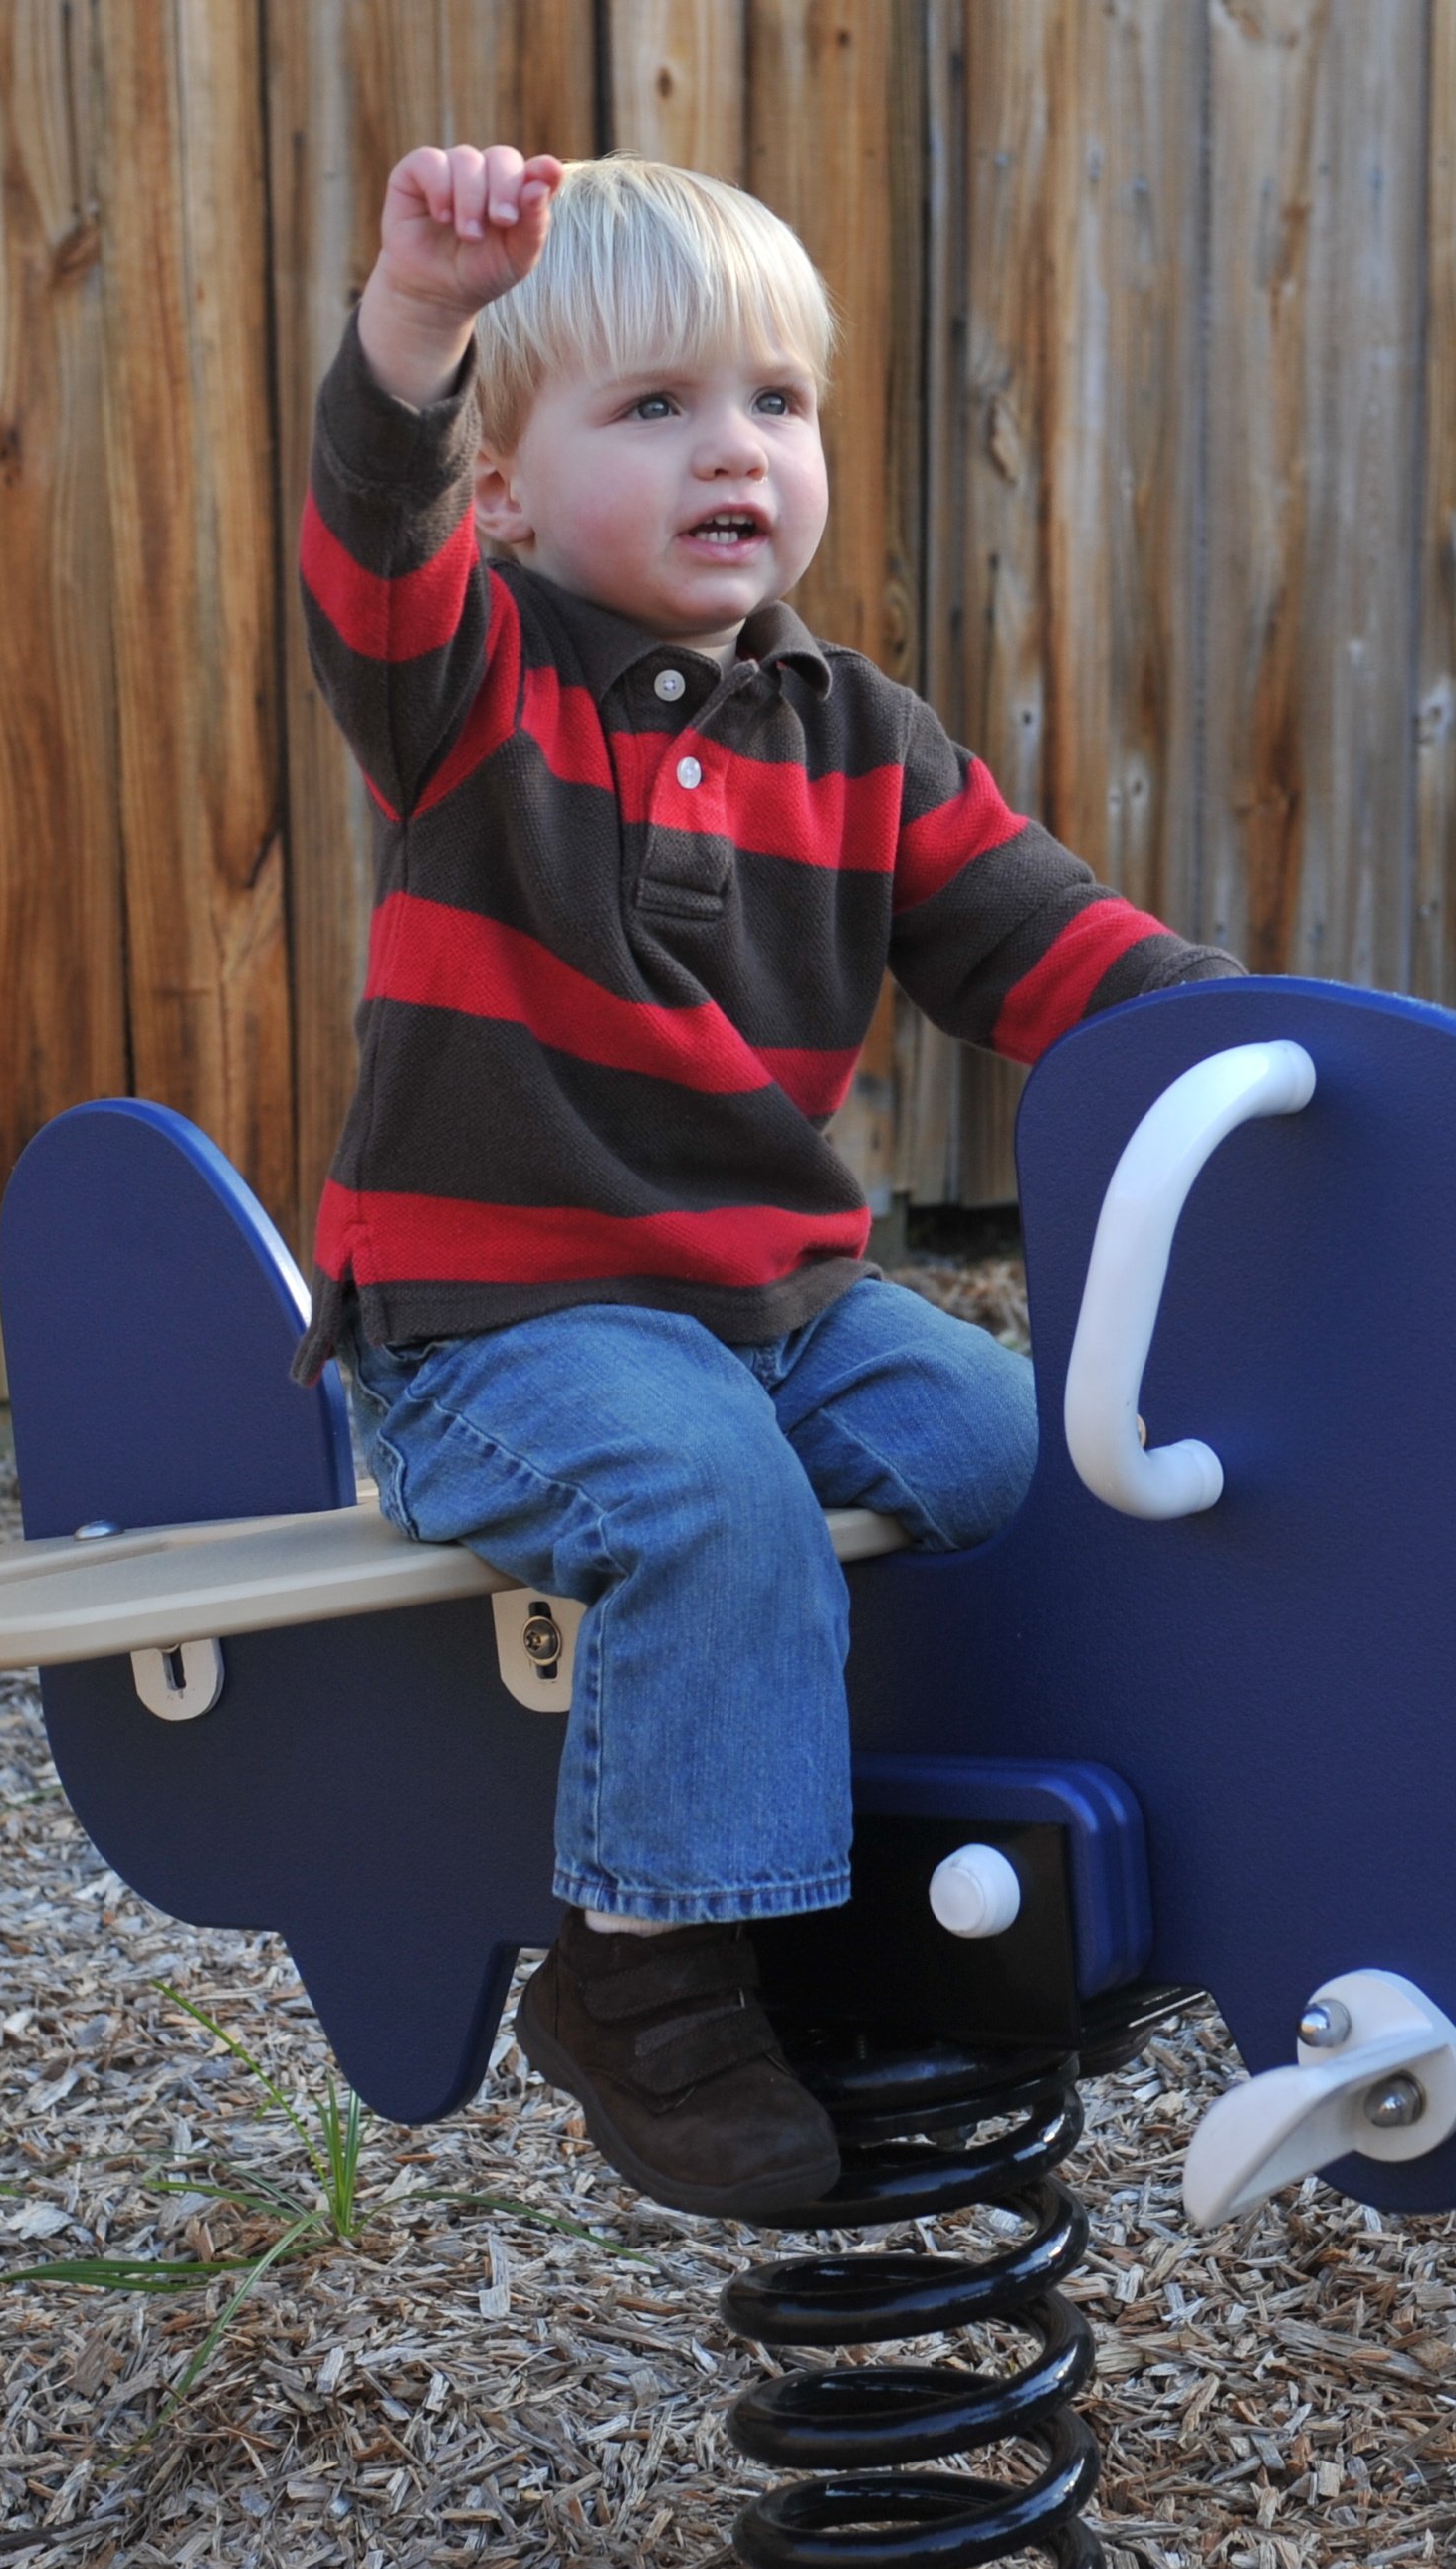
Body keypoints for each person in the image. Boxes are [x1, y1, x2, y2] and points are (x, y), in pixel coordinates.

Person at [296, 144, 1234, 2217]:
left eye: (772, 404)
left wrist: (1255, 1056)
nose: (733, 449)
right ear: (510, 492)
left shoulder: (856, 734)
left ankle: (962, 1879)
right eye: (652, 409)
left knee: (1025, 1457)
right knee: (698, 1499)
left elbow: (1053, 948)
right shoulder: (471, 692)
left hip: (775, 1306)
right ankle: (651, 1971)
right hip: (501, 1325)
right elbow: (369, 527)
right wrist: (422, 323)